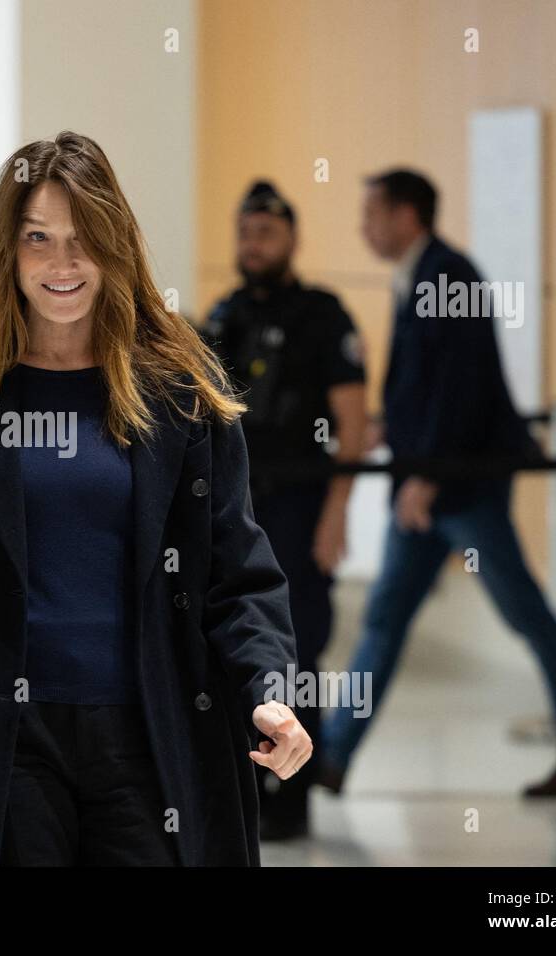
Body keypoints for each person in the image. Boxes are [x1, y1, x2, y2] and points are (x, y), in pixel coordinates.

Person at [0, 131, 310, 867]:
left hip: (149, 730)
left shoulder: (179, 385)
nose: (61, 264)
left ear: (116, 246)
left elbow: (238, 566)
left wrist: (268, 687)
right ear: (5, 251)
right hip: (2, 738)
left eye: (83, 239)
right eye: (37, 238)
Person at [318, 168, 556, 797]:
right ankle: (335, 756)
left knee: (523, 614)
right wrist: (389, 425)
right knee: (385, 620)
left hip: (460, 489)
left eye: (372, 214)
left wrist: (427, 473)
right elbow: (428, 384)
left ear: (406, 215)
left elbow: (464, 388)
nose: (363, 228)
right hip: (426, 487)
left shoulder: (450, 274)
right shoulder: (420, 275)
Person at [201, 180, 367, 839]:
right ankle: (251, 783)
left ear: (292, 239)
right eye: (245, 232)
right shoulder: (221, 316)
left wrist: (337, 514)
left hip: (300, 505)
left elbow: (352, 424)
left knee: (299, 642)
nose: (253, 244)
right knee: (239, 641)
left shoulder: (324, 315)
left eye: (266, 233)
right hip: (237, 508)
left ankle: (293, 794)